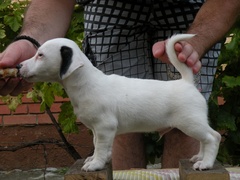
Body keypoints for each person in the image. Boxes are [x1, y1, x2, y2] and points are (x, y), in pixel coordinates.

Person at [0, 0, 239, 169]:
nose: (30, 63)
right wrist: (30, 41)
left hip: (189, 7)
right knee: (117, 129)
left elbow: (104, 125)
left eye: (40, 56)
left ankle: (209, 142)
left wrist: (196, 42)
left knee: (184, 127)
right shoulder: (93, 89)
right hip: (109, 7)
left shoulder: (87, 82)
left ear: (68, 62)